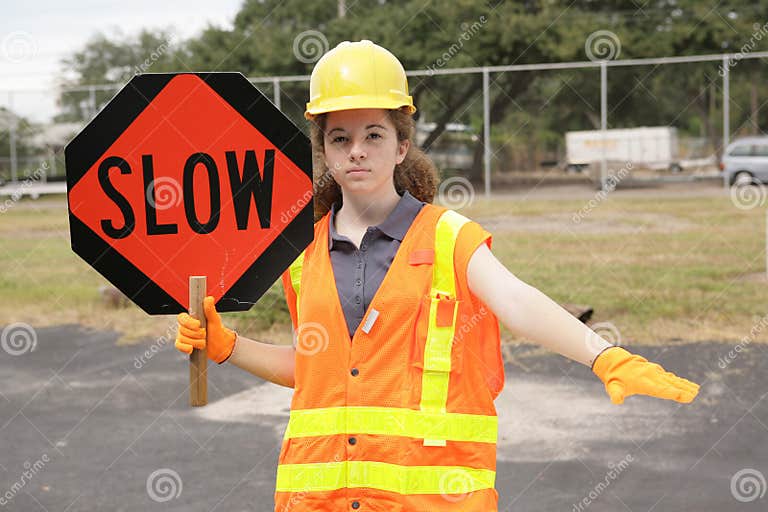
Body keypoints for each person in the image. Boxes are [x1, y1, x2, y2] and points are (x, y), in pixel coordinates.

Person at [175, 40, 700, 511]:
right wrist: (227, 346)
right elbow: (316, 367)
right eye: (339, 138)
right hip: (320, 497)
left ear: (401, 145)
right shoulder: (300, 253)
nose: (356, 150)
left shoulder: (449, 236)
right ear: (325, 151)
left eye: (373, 134)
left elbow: (516, 302)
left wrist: (602, 354)